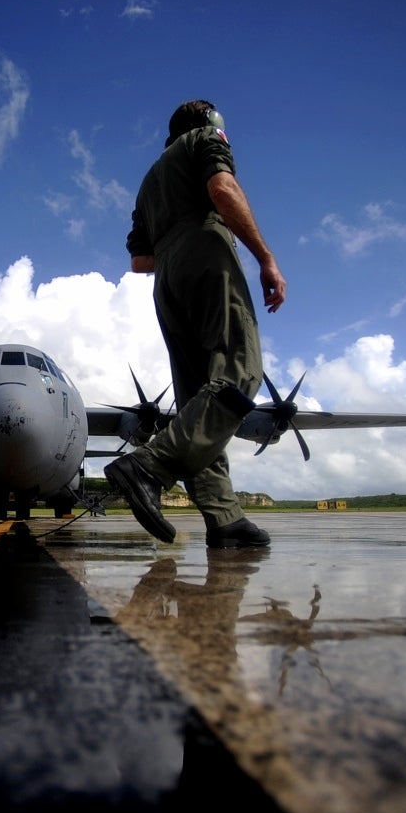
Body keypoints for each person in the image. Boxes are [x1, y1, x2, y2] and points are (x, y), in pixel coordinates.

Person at [104, 99, 285, 548]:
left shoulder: (148, 183)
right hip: (207, 254)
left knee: (196, 401)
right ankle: (150, 466)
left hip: (166, 279)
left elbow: (139, 261)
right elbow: (223, 189)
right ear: (211, 123)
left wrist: (173, 245)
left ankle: (223, 516)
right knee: (239, 370)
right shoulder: (205, 139)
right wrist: (265, 257)